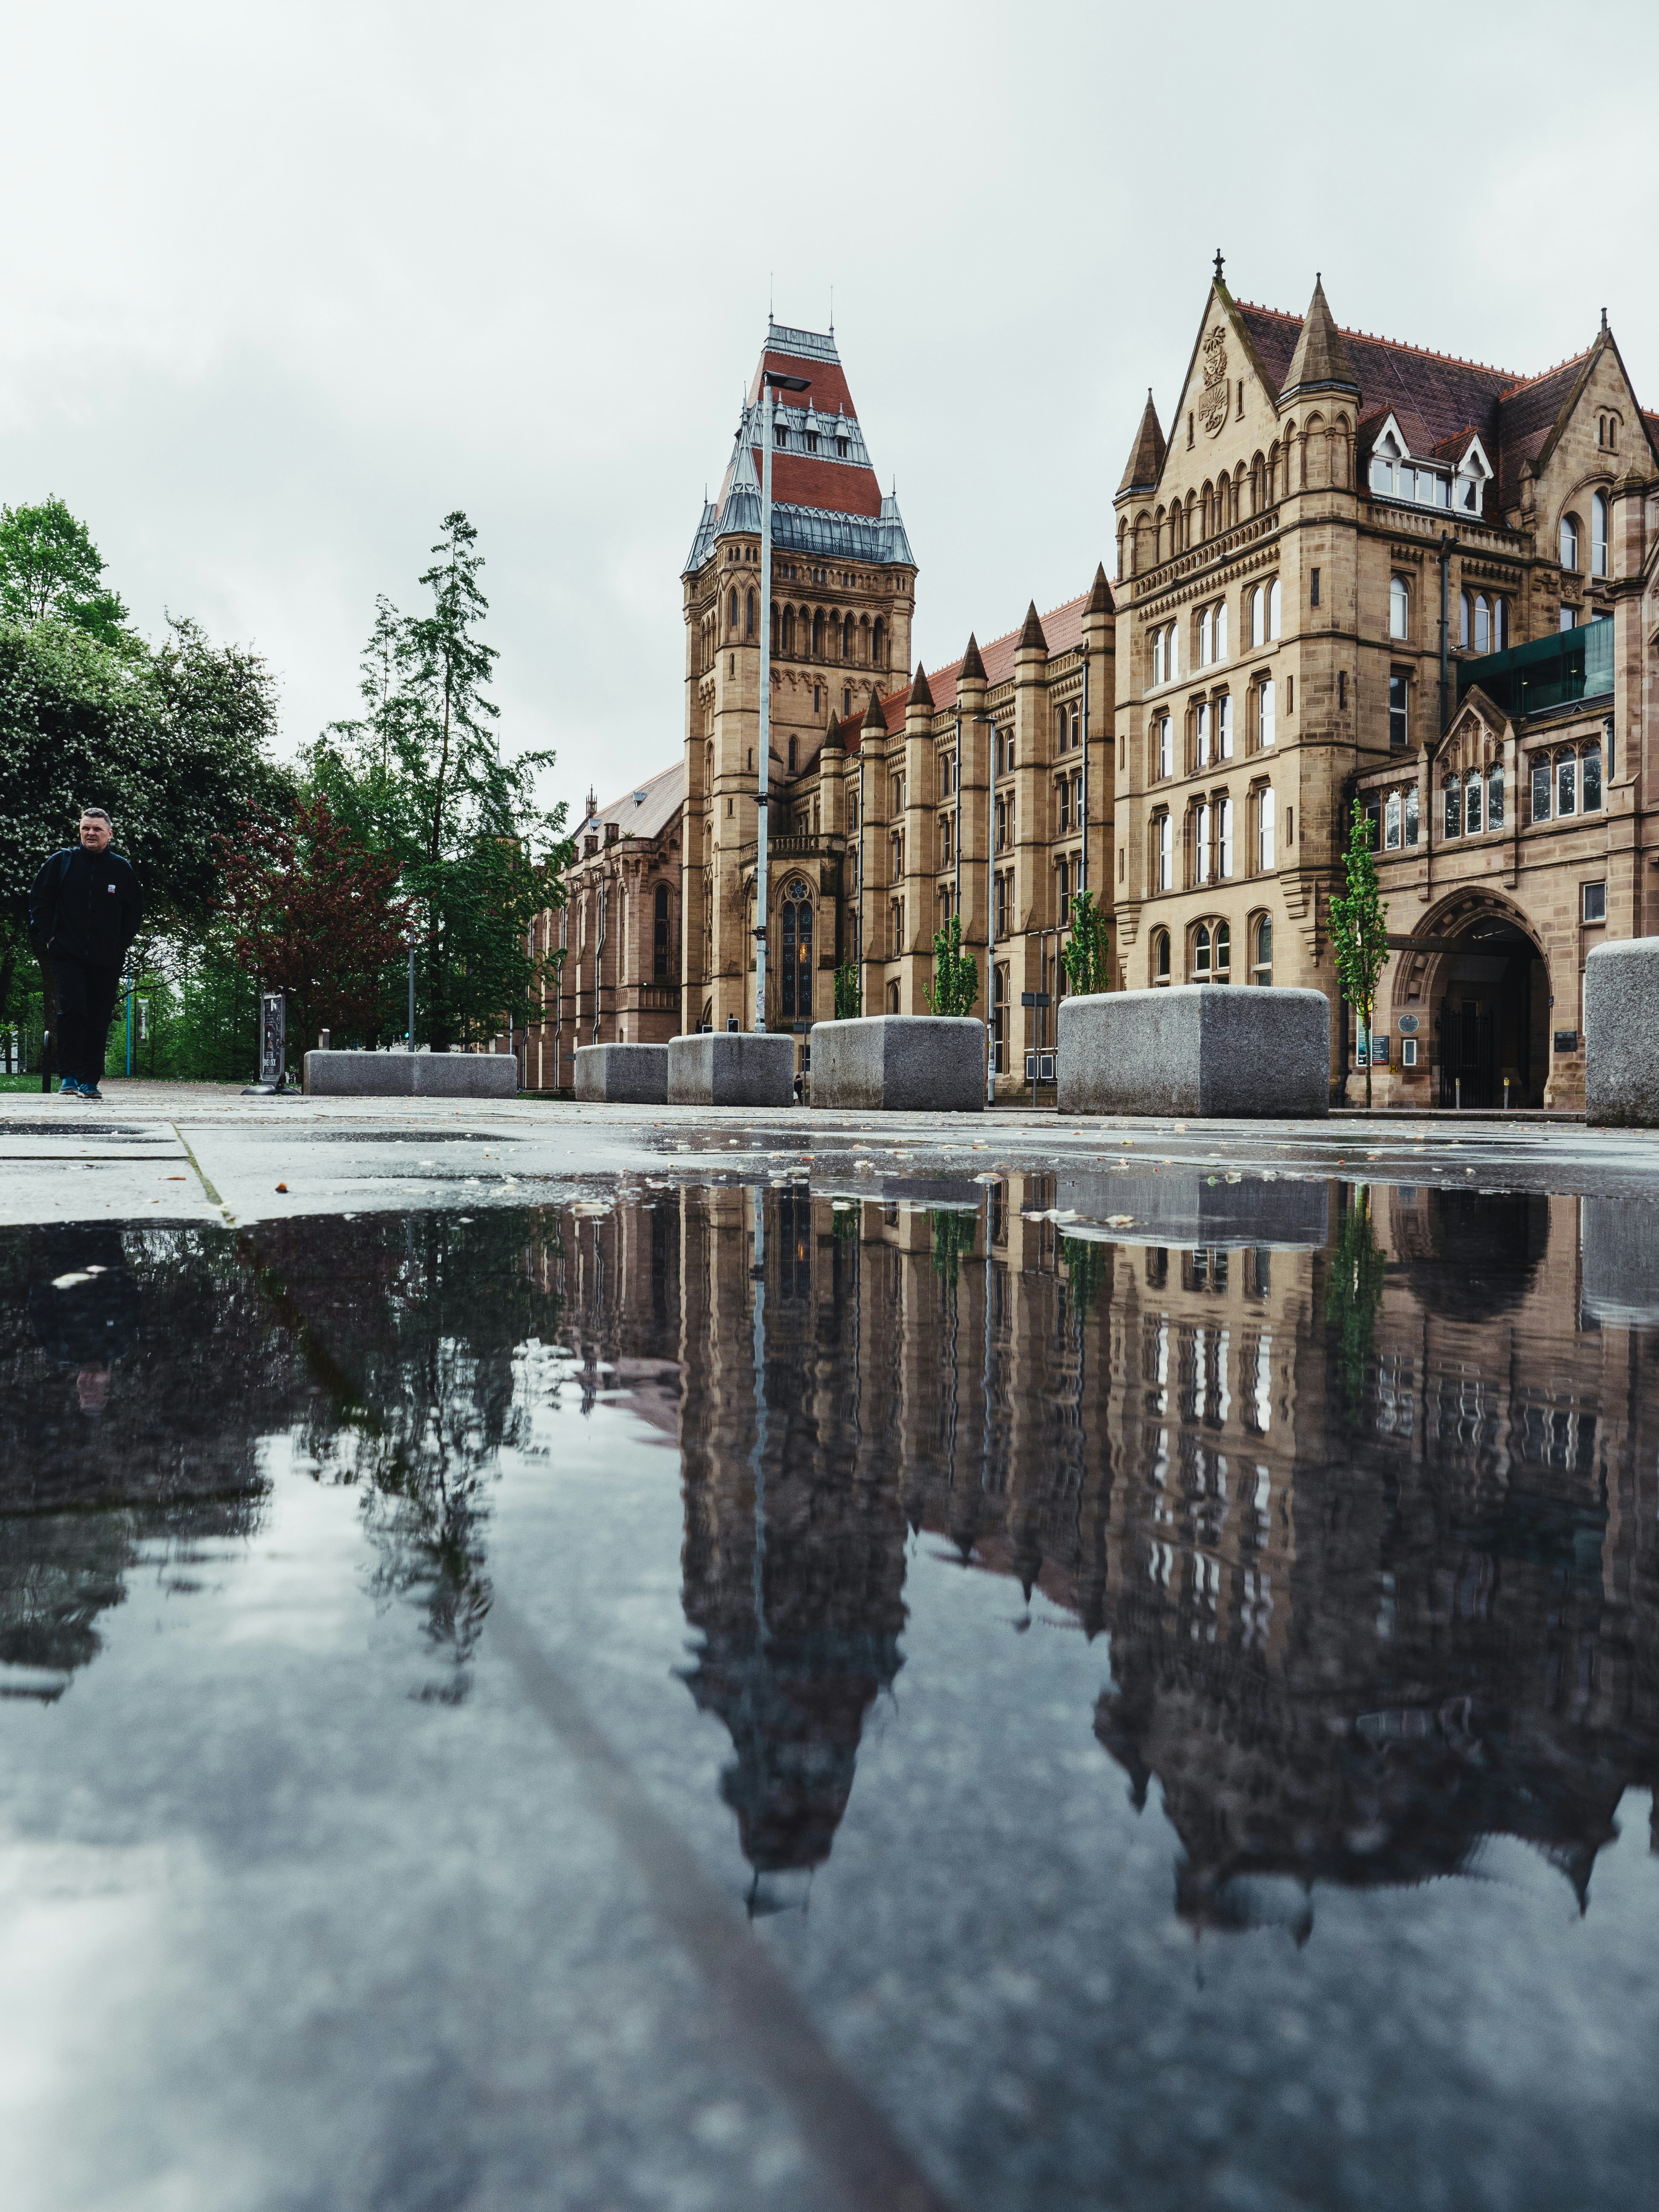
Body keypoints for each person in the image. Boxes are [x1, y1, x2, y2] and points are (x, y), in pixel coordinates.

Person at [29, 808, 143, 1100]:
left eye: (97, 829)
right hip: (68, 953)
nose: (90, 833)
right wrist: (51, 939)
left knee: (98, 1016)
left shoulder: (121, 869)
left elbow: (134, 911)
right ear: (80, 831)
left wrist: (121, 945)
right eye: (85, 828)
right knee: (73, 1010)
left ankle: (90, 1081)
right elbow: (40, 901)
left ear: (110, 834)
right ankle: (68, 1076)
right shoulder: (61, 862)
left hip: (108, 957)